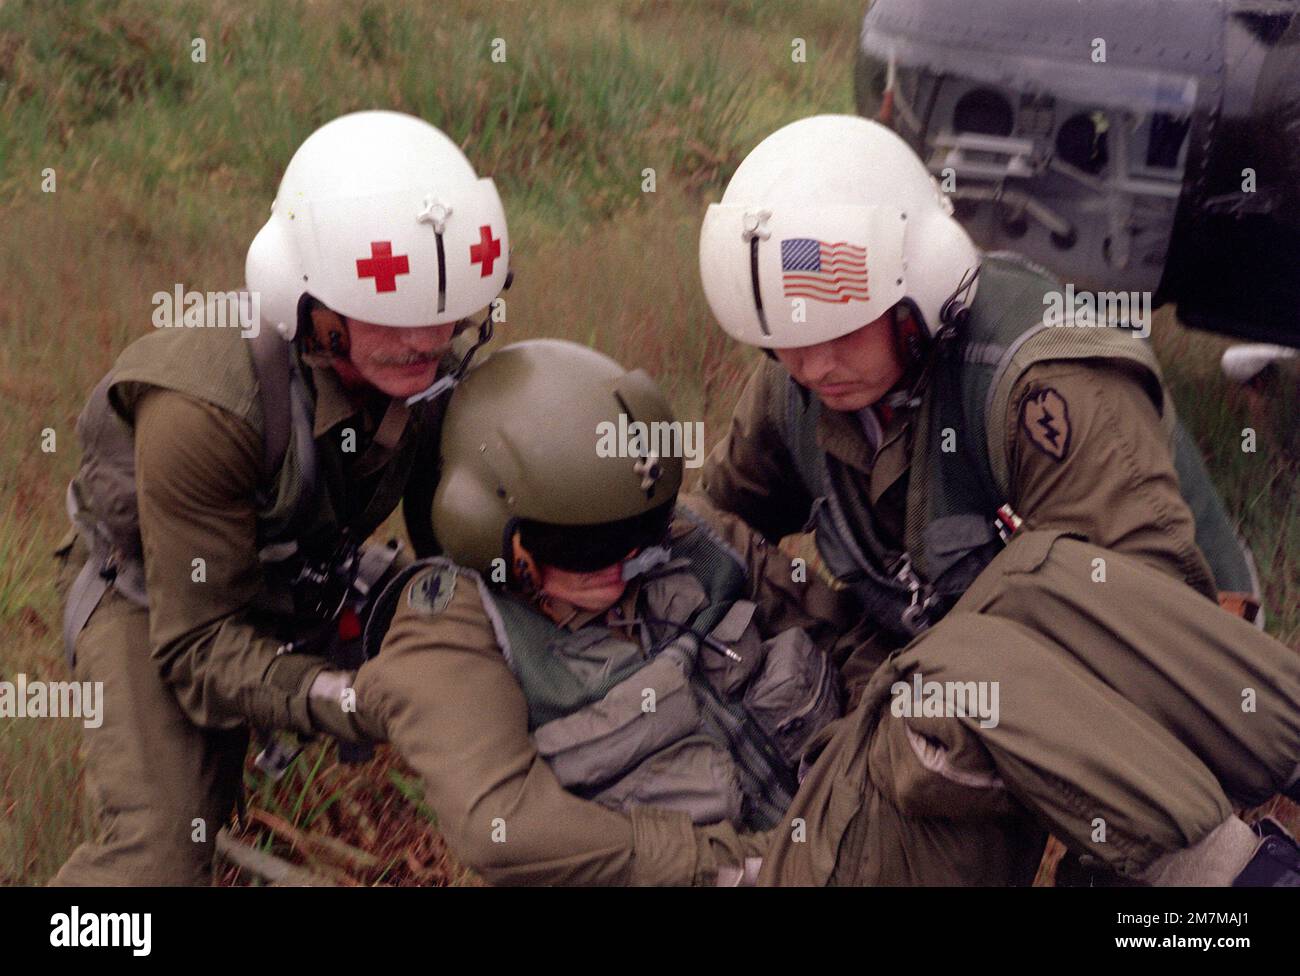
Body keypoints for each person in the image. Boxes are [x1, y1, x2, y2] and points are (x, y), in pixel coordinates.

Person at [352, 339, 1300, 886]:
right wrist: (731, 863)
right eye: (587, 550)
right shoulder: (452, 631)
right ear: (492, 531)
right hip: (764, 873)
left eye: (640, 531)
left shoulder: (696, 541)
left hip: (857, 827)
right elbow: (496, 827)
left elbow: (849, 636)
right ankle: (1237, 882)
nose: (628, 564)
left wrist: (884, 746)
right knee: (958, 669)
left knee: (1042, 577)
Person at [694, 114, 1300, 885]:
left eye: (844, 329)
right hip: (954, 661)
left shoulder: (1038, 383)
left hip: (1162, 652)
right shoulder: (801, 385)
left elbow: (1131, 613)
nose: (813, 363)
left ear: (919, 293)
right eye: (785, 338)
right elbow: (722, 523)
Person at [51, 110, 511, 885]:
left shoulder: (429, 372)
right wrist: (353, 698)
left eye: (449, 314)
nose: (428, 340)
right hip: (158, 594)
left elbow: (460, 541)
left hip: (303, 564)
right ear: (306, 298)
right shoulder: (209, 405)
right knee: (158, 858)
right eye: (394, 313)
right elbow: (197, 649)